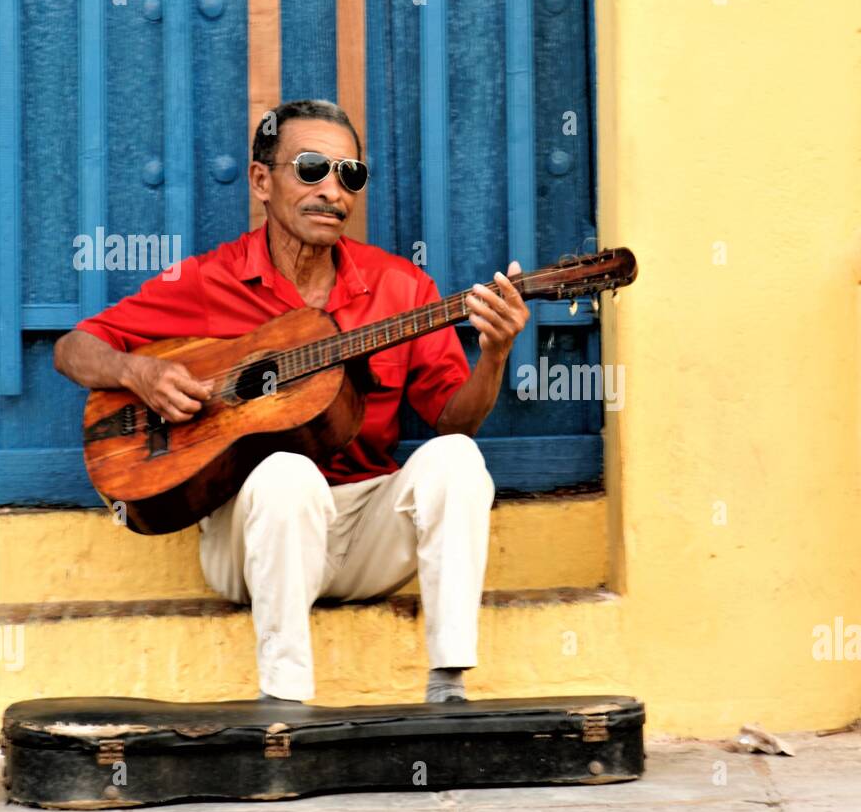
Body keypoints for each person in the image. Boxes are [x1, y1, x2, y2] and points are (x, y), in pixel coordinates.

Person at [53, 99, 530, 705]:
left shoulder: (402, 289)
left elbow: (451, 419)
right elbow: (74, 348)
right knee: (285, 472)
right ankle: (284, 705)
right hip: (249, 538)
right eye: (310, 169)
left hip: (363, 533)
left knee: (459, 459)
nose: (332, 190)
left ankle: (449, 687)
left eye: (349, 175)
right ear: (261, 181)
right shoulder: (208, 281)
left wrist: (493, 355)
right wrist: (138, 372)